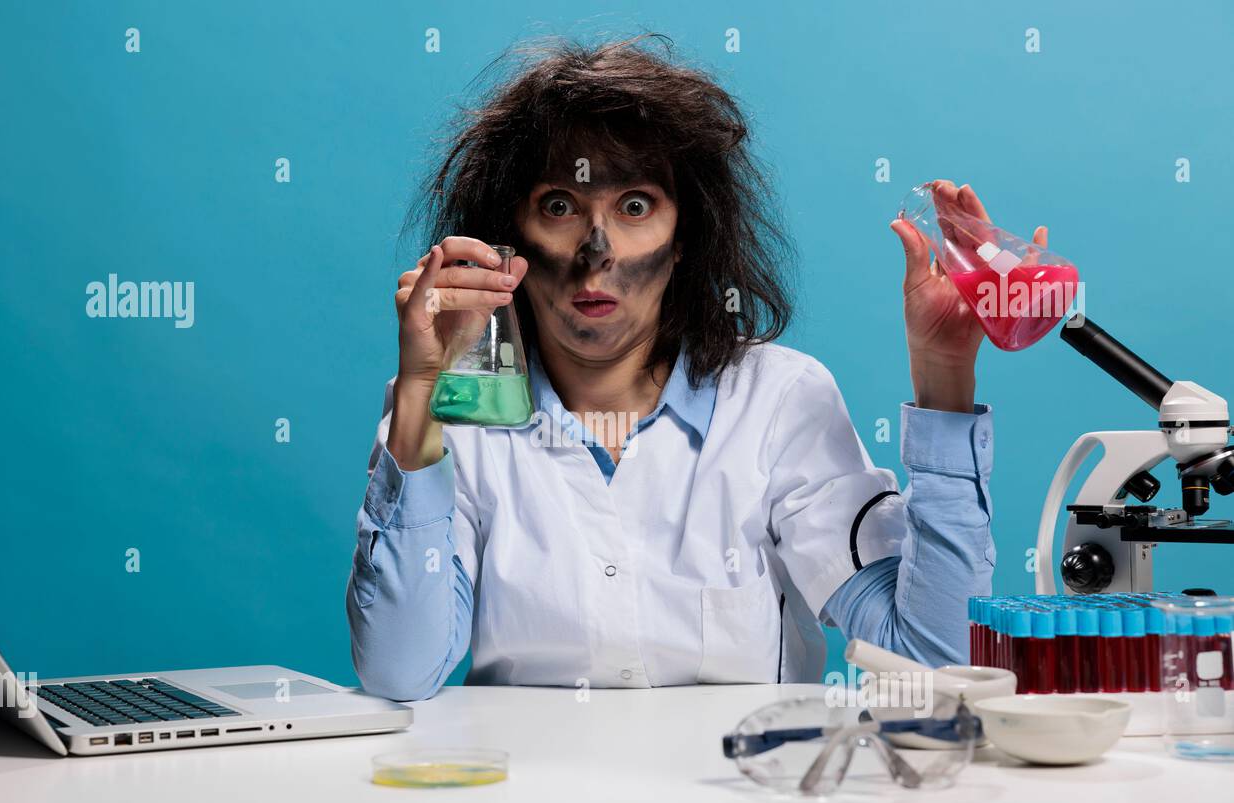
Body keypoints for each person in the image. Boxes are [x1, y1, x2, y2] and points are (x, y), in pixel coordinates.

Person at [347, 37, 1040, 701]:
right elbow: (400, 671)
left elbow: (932, 658)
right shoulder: (460, 416)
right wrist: (419, 393)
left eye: (636, 206)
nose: (599, 249)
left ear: (685, 241)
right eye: (558, 206)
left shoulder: (779, 402)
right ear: (508, 243)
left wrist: (945, 376)